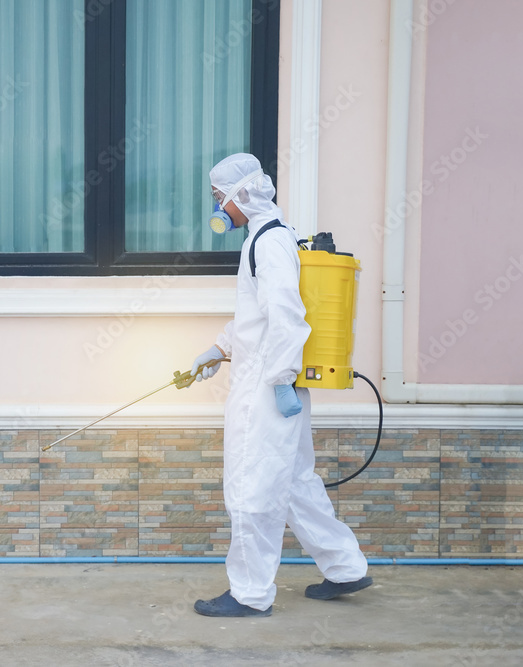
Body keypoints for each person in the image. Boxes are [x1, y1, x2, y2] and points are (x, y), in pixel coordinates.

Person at [190, 153, 371, 618]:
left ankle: (249, 594)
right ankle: (345, 567)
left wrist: (278, 380)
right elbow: (257, 317)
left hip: (268, 387)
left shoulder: (267, 243)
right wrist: (218, 347)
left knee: (252, 486)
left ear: (240, 195)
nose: (216, 208)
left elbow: (287, 318)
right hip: (277, 380)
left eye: (218, 198)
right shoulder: (269, 236)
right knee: (292, 482)